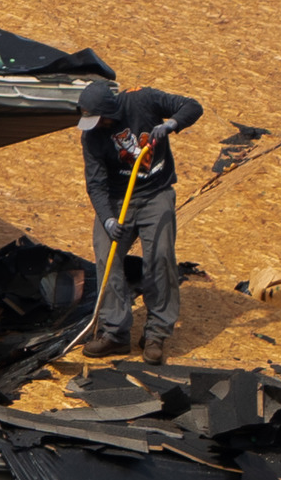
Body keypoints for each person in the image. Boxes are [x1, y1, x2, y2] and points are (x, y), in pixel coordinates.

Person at [78, 76, 203, 362]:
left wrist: (172, 123)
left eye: (99, 120)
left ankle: (156, 334)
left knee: (159, 257)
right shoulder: (92, 136)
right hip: (116, 200)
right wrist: (108, 220)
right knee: (106, 257)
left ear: (110, 113)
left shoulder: (142, 100)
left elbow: (192, 106)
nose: (95, 126)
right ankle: (114, 332)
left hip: (155, 194)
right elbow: (95, 184)